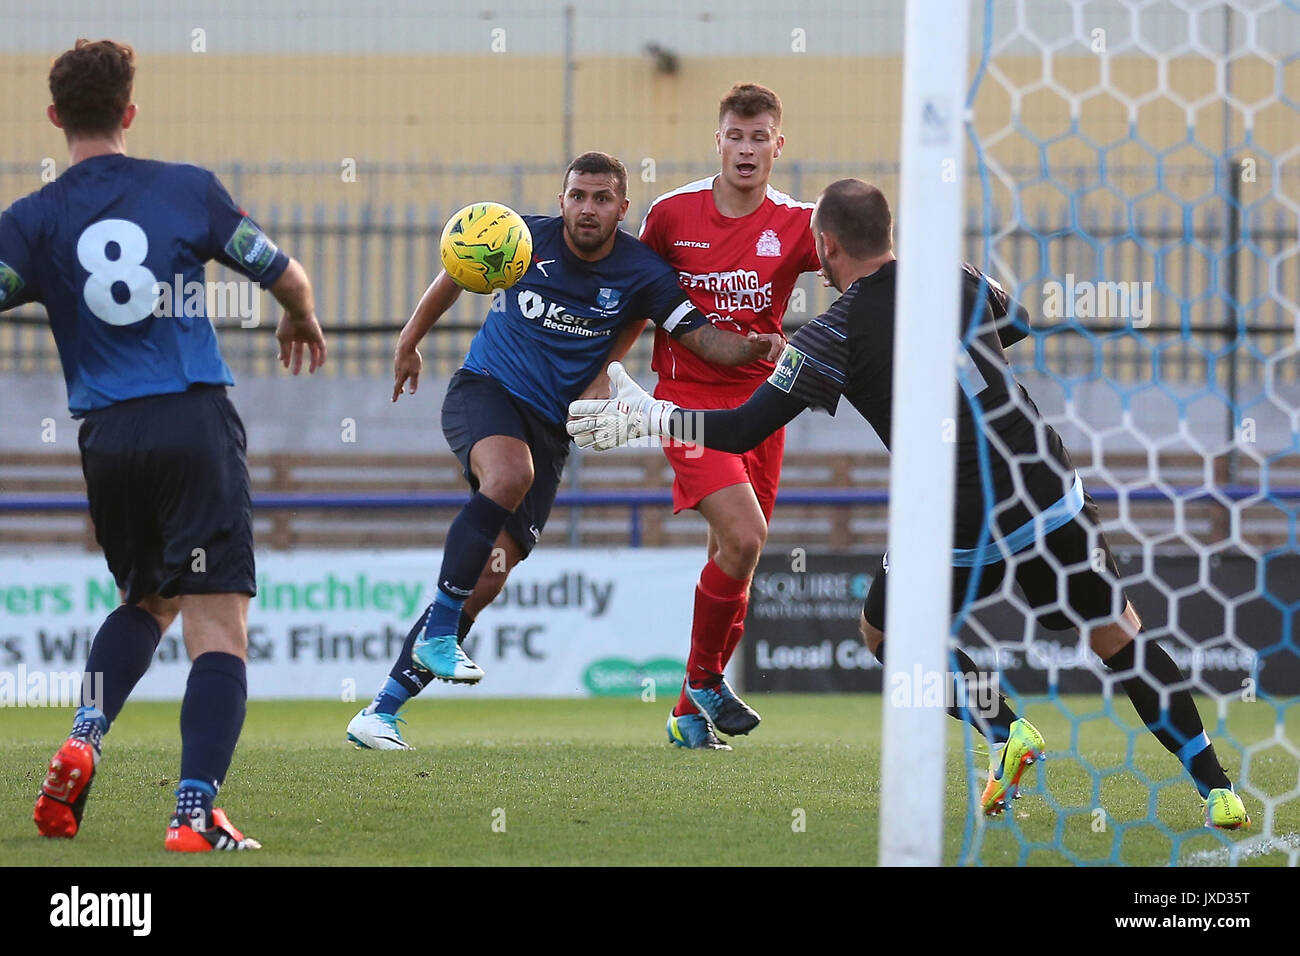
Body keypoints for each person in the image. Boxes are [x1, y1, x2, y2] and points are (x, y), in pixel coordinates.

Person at [568, 178, 1249, 830]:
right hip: (1044, 487)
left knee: (885, 636)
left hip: (955, 512)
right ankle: (1217, 790)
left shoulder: (830, 335)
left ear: (827, 247)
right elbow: (1019, 319)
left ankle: (1006, 728)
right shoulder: (954, 277)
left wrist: (655, 417)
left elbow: (743, 428)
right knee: (1117, 637)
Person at [2, 40, 328, 851]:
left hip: (108, 436)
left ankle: (85, 732)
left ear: (54, 117)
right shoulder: (185, 190)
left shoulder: (31, 221)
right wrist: (301, 315)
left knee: (146, 600)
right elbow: (283, 273)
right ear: (130, 111)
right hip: (191, 420)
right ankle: (193, 812)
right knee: (217, 627)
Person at [344, 151, 783, 751]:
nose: (587, 208)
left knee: (488, 579)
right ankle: (441, 630)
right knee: (507, 473)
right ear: (561, 200)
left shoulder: (642, 272)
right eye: (577, 195)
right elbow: (457, 269)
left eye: (602, 199)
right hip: (488, 393)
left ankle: (380, 711)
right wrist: (409, 340)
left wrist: (757, 348)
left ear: (622, 209)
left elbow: (701, 339)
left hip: (551, 432)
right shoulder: (520, 241)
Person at [635, 83, 822, 750]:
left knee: (735, 555)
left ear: (779, 144)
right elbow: (636, 299)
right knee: (744, 538)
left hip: (762, 406)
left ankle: (689, 710)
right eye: (735, 136)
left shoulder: (799, 224)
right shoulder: (669, 214)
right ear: (718, 141)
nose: (747, 149)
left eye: (759, 136)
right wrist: (601, 372)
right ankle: (706, 679)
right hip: (685, 402)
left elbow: (854, 280)